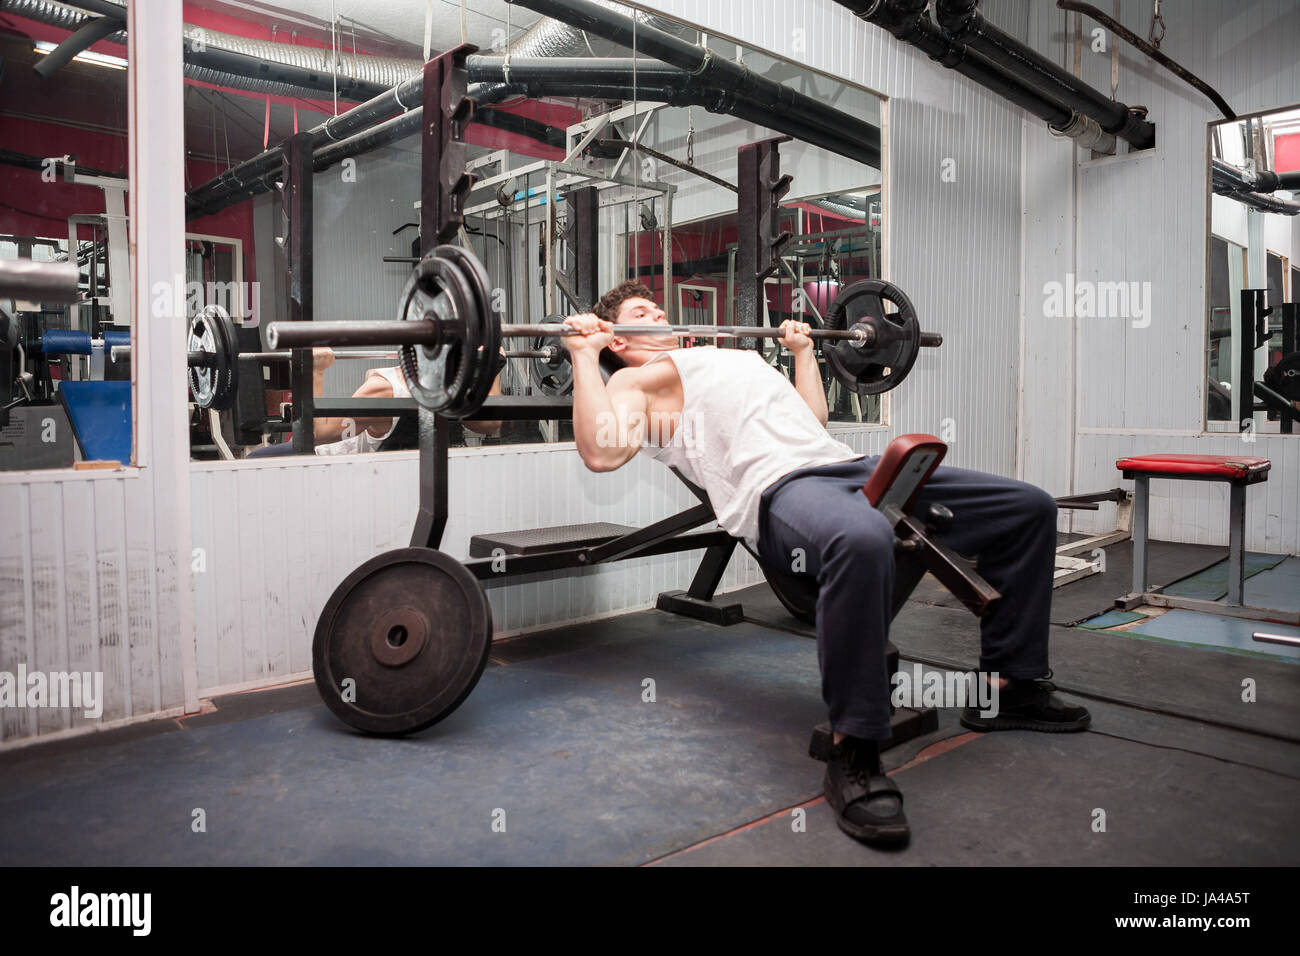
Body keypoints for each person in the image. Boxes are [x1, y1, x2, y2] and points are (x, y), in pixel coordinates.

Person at [559, 279, 1090, 849]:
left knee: (1029, 508)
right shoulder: (641, 380)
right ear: (618, 338)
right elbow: (601, 452)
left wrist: (804, 354)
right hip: (781, 488)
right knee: (863, 538)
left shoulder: (731, 356)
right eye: (643, 312)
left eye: (660, 306)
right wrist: (586, 358)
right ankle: (853, 750)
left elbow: (813, 421)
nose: (659, 314)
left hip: (848, 466)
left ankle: (1011, 685)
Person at [245, 348, 502, 457]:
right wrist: (493, 367)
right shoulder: (448, 392)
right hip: (336, 461)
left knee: (253, 463)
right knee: (257, 462)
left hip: (347, 466)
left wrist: (314, 371)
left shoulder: (388, 390)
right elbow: (490, 423)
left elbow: (316, 434)